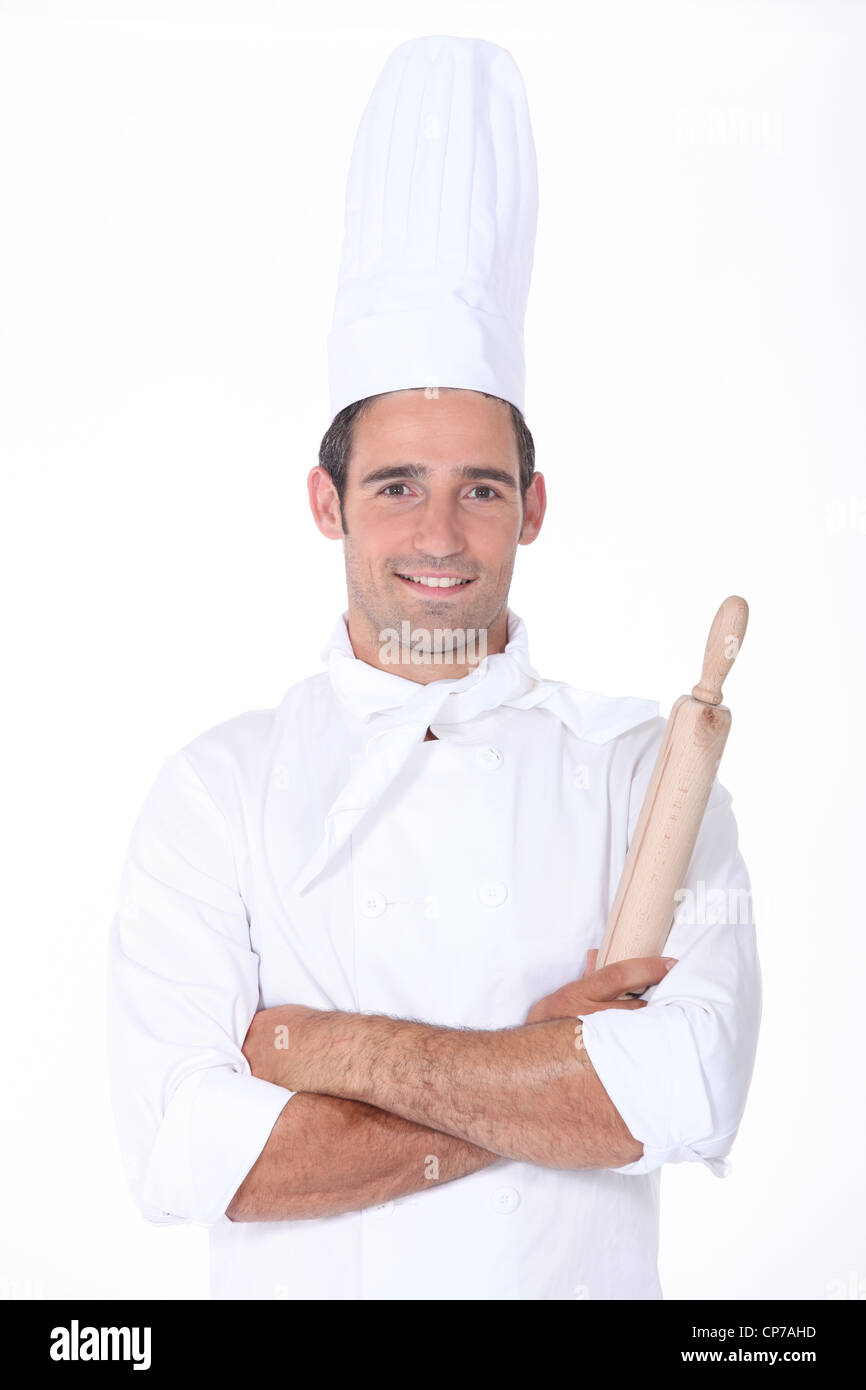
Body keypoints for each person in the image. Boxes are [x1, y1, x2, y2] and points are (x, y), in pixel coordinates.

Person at [107, 36, 761, 1301]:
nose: (438, 537)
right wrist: (541, 1072)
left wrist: (324, 1050)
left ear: (533, 508)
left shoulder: (646, 781)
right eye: (396, 486)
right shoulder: (216, 792)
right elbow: (185, 1150)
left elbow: (678, 1095)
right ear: (325, 501)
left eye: (480, 489)